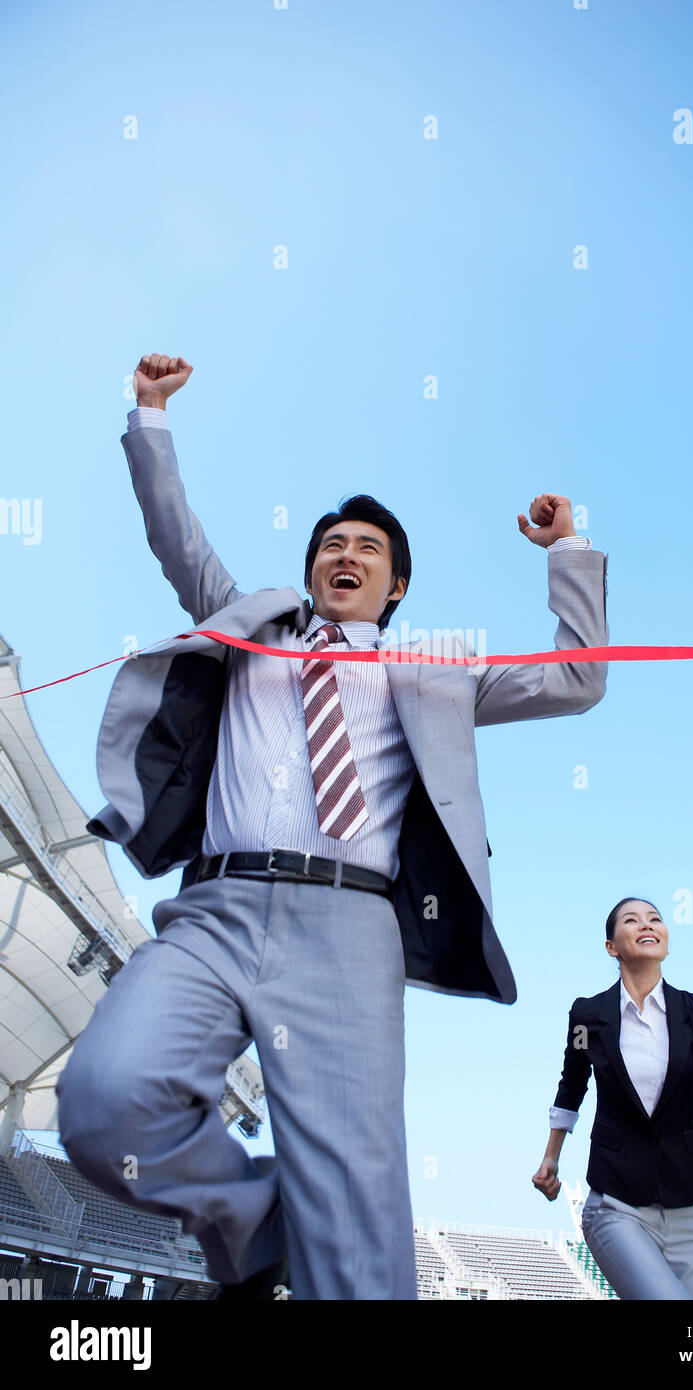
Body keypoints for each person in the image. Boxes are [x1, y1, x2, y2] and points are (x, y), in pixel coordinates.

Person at [56, 352, 610, 1301]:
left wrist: (567, 551)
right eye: (331, 546)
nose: (344, 556)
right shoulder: (248, 630)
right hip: (215, 913)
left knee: (356, 1241)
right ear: (310, 570)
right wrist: (148, 414)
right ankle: (258, 1217)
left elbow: (577, 678)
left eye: (367, 550)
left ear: (395, 587)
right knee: (107, 1104)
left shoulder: (433, 670)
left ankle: (317, 1240)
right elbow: (176, 540)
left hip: (348, 929)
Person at [532, 897, 693, 1300]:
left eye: (655, 919)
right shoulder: (588, 1015)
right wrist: (551, 1158)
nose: (647, 924)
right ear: (611, 947)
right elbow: (571, 1088)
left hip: (692, 1211)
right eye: (631, 920)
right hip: (617, 1206)